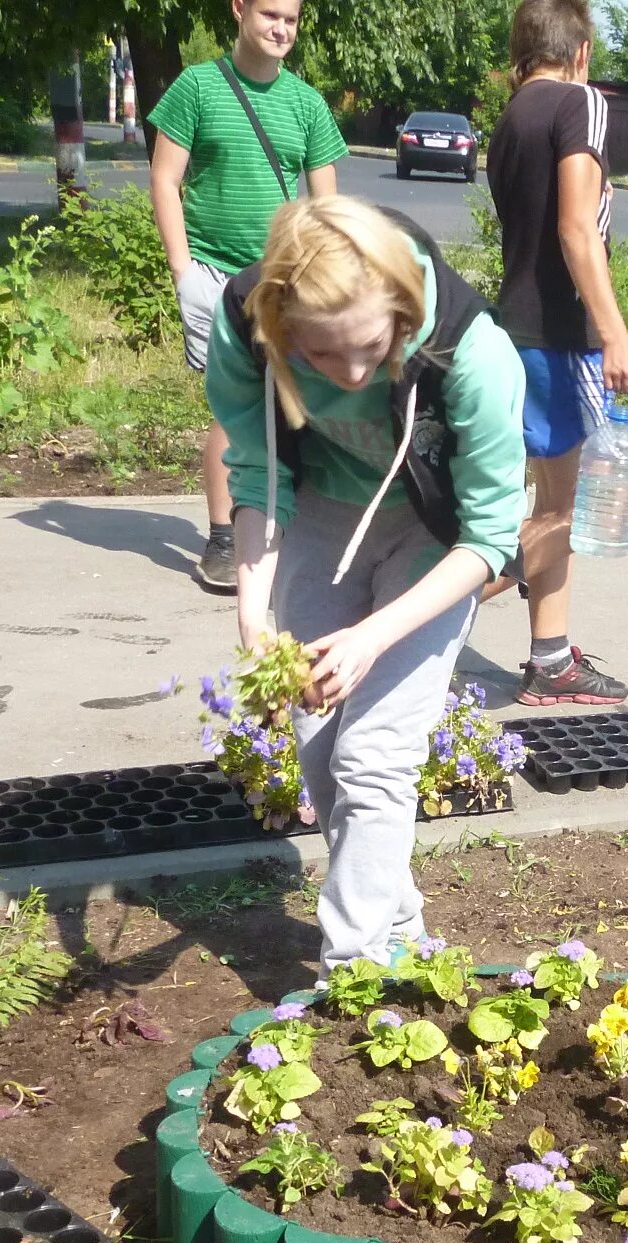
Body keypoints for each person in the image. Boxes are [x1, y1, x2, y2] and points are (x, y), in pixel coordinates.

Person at [204, 196, 526, 965]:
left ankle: (351, 976)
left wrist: (373, 637)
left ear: (403, 311)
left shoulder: (472, 353)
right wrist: (254, 618)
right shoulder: (246, 322)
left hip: (433, 539)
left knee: (373, 758)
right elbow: (256, 474)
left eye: (370, 349)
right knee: (319, 750)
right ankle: (401, 930)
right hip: (321, 515)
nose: (348, 375)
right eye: (319, 357)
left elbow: (489, 539)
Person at [148, 0, 346, 594]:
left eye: (290, 18)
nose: (281, 28)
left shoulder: (307, 104)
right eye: (269, 15)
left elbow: (326, 208)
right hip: (216, 276)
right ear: (238, 10)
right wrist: (183, 271)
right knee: (234, 411)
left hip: (287, 280)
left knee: (299, 404)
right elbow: (164, 178)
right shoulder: (198, 87)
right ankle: (224, 538)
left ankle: (292, 525)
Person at [481, 0, 628, 706]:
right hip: (561, 337)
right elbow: (578, 230)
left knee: (552, 498)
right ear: (580, 50)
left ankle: (550, 659)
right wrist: (615, 335)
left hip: (512, 332)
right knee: (573, 511)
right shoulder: (581, 102)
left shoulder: (512, 116)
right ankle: (419, 603)